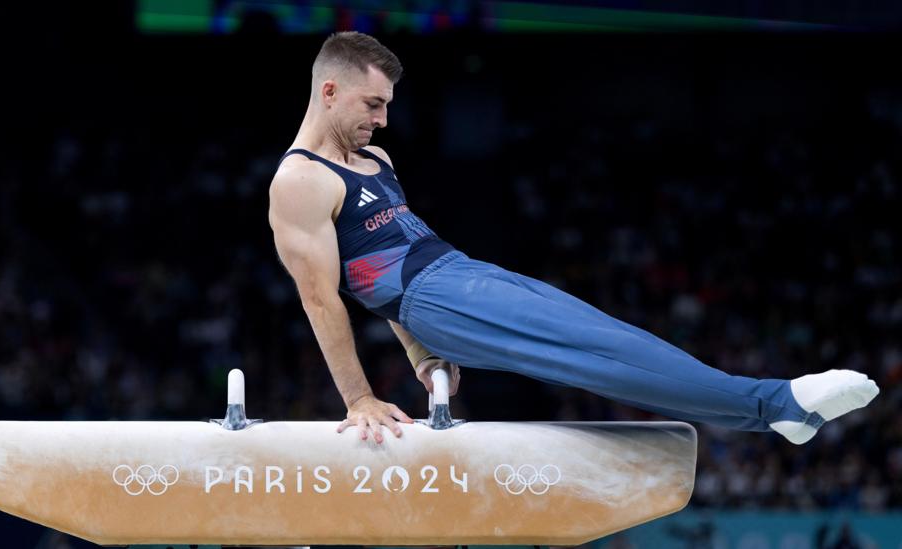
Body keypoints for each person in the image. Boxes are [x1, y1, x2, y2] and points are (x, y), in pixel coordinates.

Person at [267, 31, 879, 446]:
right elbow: (323, 299)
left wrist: (423, 358)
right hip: (440, 296)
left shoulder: (376, 160)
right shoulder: (299, 182)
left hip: (458, 276)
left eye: (386, 106)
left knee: (609, 341)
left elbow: (377, 275)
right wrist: (359, 400)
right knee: (597, 350)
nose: (382, 118)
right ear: (329, 91)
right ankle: (778, 406)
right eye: (373, 104)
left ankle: (772, 411)